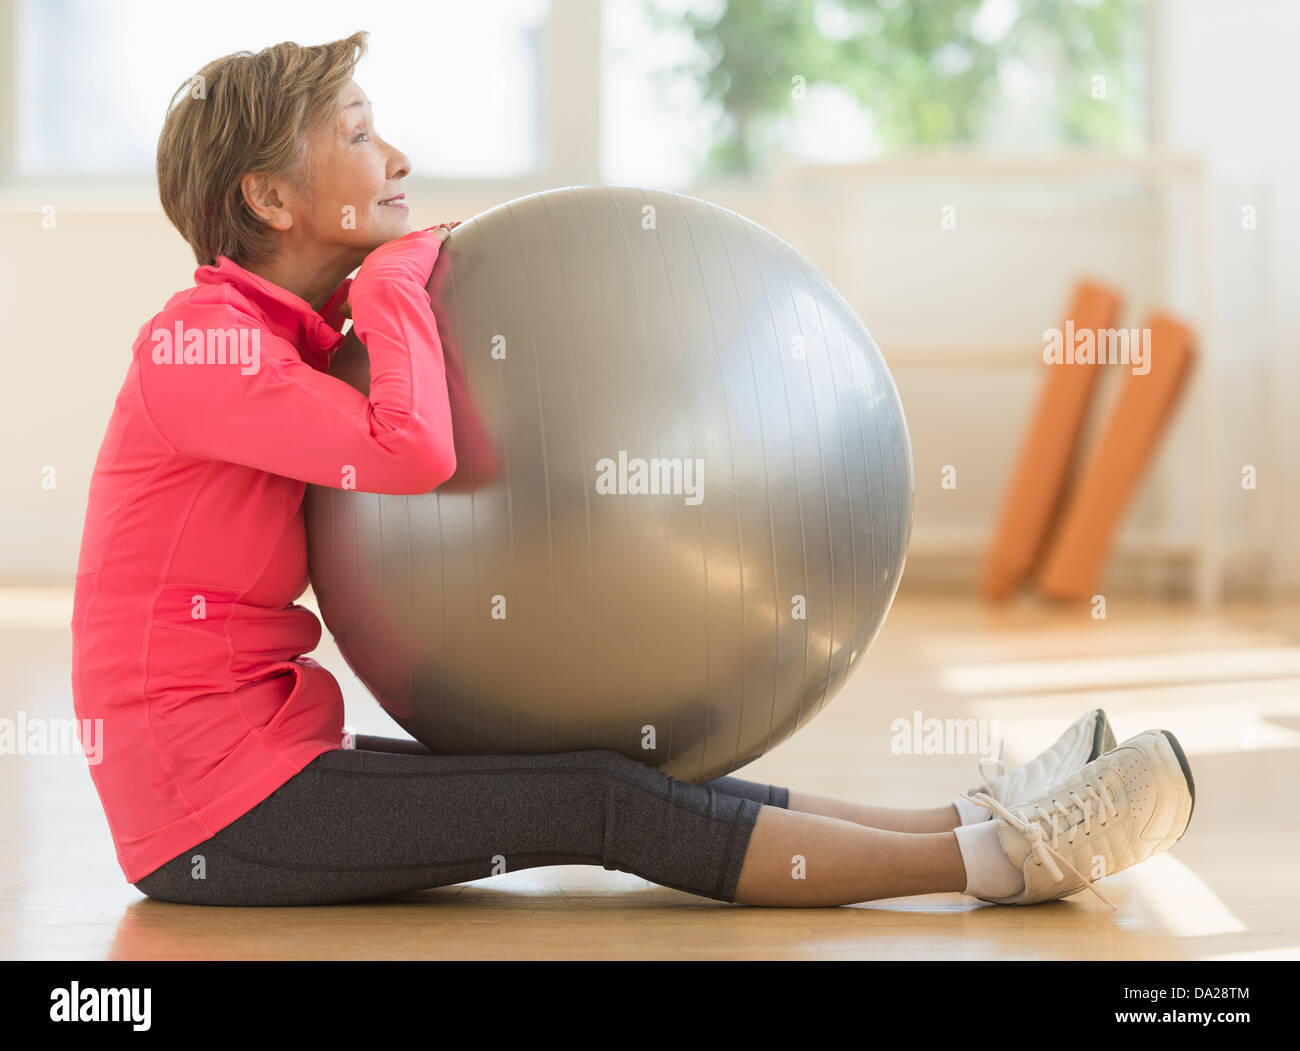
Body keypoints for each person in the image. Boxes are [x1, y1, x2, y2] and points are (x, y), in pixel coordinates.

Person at [71, 32, 1195, 910]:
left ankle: (974, 814)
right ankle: (1000, 862)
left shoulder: (277, 343)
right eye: (359, 134)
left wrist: (385, 293)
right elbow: (408, 451)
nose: (398, 158)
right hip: (208, 815)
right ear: (268, 198)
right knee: (599, 797)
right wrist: (396, 288)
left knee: (615, 765)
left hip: (255, 765)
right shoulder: (197, 348)